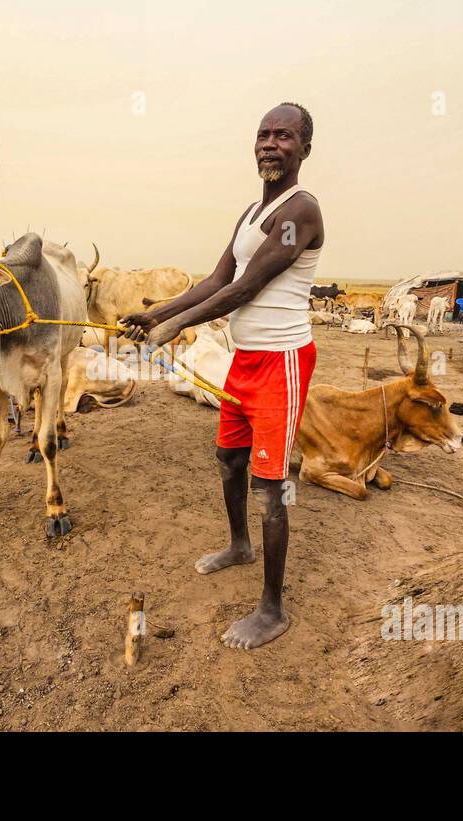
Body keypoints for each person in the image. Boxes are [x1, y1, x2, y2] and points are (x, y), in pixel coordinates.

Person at [120, 102, 324, 649]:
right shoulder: (250, 215)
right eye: (262, 135)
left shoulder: (300, 212)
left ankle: (272, 609)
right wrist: (158, 311)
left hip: (280, 362)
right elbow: (217, 278)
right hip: (245, 359)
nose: (269, 144)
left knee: (270, 486)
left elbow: (244, 289)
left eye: (284, 136)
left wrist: (175, 329)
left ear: (305, 147)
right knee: (228, 459)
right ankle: (240, 546)